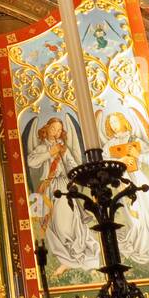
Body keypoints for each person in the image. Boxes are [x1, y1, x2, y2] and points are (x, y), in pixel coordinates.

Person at [26, 116, 100, 277]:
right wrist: (48, 153)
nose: (56, 132)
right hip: (49, 187)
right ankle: (67, 260)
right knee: (54, 225)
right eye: (53, 129)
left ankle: (85, 257)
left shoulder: (63, 148)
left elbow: (73, 165)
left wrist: (76, 171)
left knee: (67, 221)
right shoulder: (41, 148)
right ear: (46, 130)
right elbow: (31, 162)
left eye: (59, 130)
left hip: (63, 185)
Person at [102, 110, 149, 264]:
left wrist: (137, 155)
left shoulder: (134, 139)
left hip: (139, 178)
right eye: (111, 123)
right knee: (136, 215)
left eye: (115, 121)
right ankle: (141, 246)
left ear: (122, 120)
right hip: (123, 181)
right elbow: (104, 165)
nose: (114, 125)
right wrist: (119, 162)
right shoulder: (109, 145)